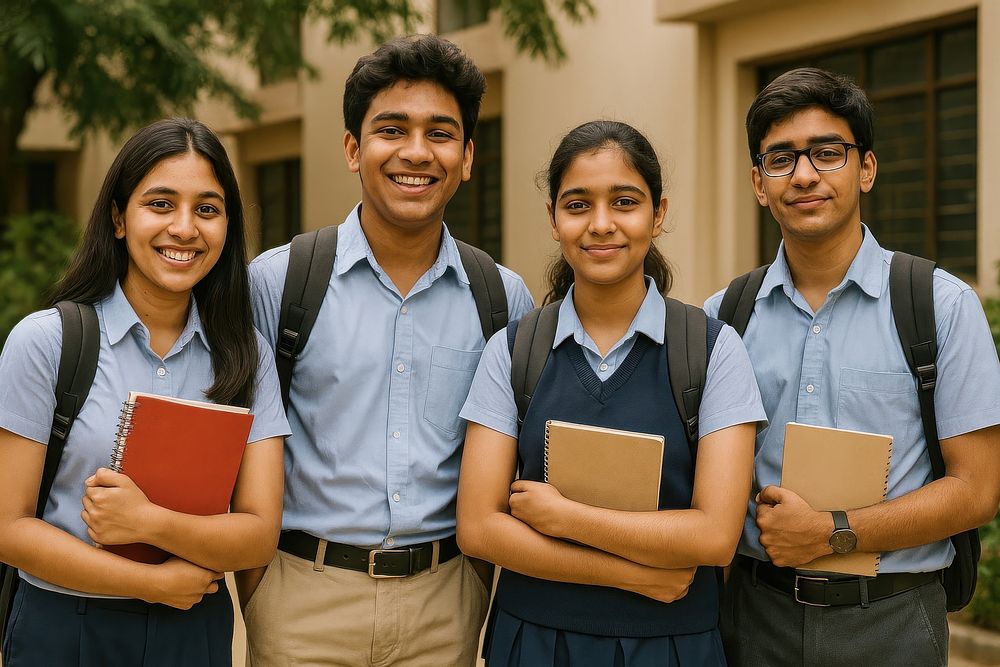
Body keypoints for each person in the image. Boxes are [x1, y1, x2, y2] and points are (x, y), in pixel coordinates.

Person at [243, 34, 534, 666]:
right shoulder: (278, 282)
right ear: (353, 148)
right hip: (302, 599)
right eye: (392, 129)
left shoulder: (503, 300)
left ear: (468, 156)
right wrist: (258, 586)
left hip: (446, 603)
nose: (416, 153)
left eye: (440, 133)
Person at [704, 67, 1000, 666]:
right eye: (781, 158)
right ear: (758, 183)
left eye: (827, 153)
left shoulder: (940, 306)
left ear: (865, 168)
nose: (805, 175)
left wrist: (835, 530)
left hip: (895, 621)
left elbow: (977, 491)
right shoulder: (723, 317)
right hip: (756, 618)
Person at [456, 120, 766, 667]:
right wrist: (634, 573)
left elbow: (716, 535)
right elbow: (479, 527)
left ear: (659, 213)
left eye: (624, 202)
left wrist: (565, 518)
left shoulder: (713, 350)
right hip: (535, 643)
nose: (601, 224)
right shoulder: (513, 351)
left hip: (674, 647)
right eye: (577, 205)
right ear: (553, 219)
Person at [0, 117, 289, 666]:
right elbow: (8, 528)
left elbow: (258, 533)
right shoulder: (46, 342)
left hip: (192, 630)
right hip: (65, 629)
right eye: (160, 204)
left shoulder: (244, 353)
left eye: (207, 209)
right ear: (117, 217)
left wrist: (150, 524)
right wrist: (148, 583)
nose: (184, 228)